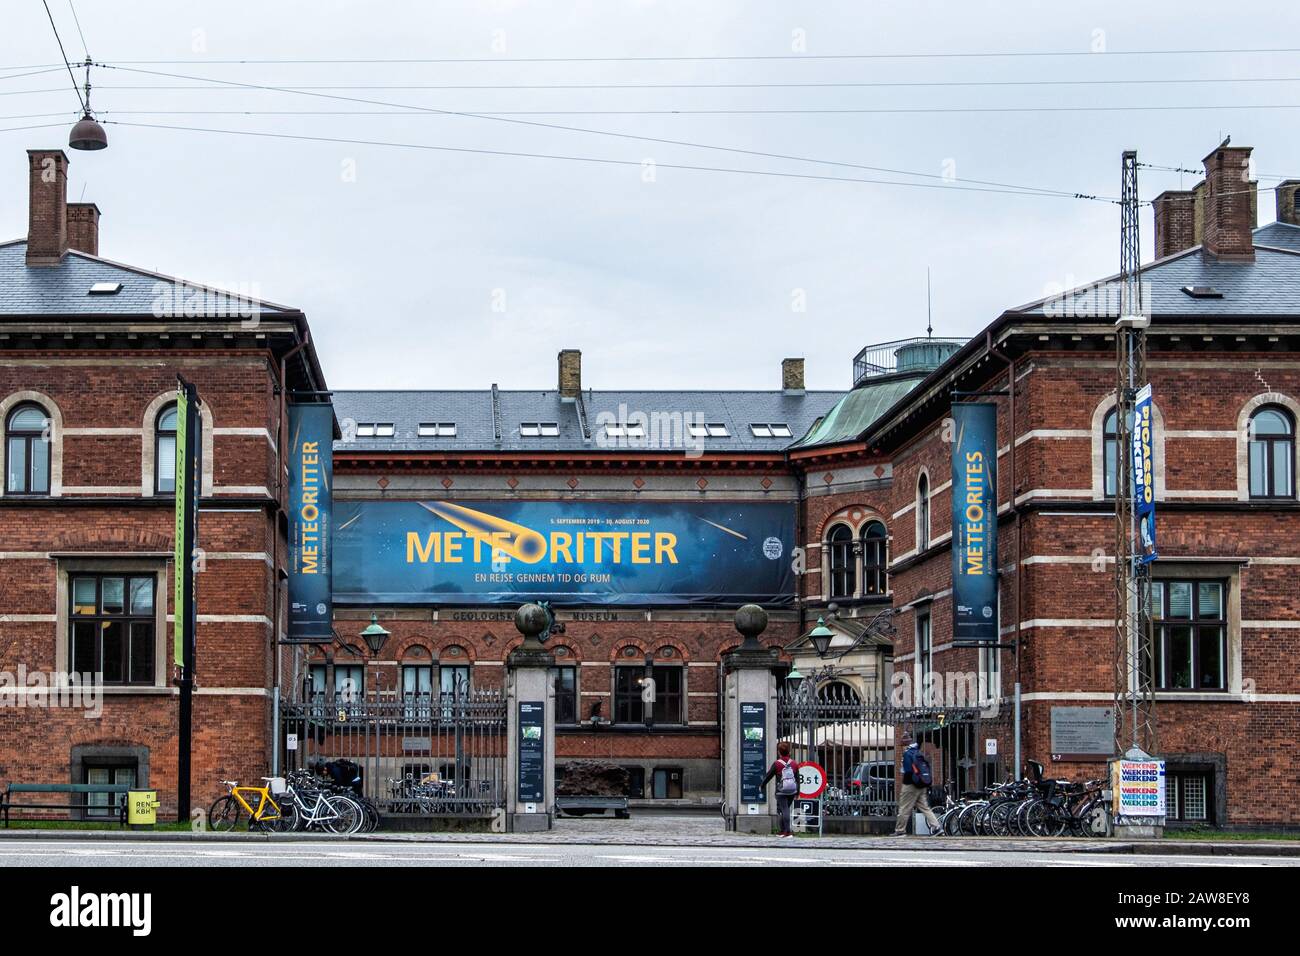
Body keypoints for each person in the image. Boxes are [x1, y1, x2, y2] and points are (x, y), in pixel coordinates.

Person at [893, 732, 941, 836]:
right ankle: (936, 826)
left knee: (904, 807)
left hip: (910, 785)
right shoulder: (918, 752)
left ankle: (900, 830)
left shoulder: (907, 753)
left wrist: (908, 781)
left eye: (902, 740)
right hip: (921, 784)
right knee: (925, 807)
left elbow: (908, 770)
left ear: (906, 741)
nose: (900, 741)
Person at [760, 741, 801, 837]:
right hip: (792, 791)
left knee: (784, 809)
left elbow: (768, 776)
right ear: (789, 752)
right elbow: (798, 779)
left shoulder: (777, 764)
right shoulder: (794, 764)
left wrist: (762, 785)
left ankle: (788, 832)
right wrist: (798, 792)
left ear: (779, 752)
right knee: (784, 809)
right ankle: (783, 831)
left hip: (781, 791)